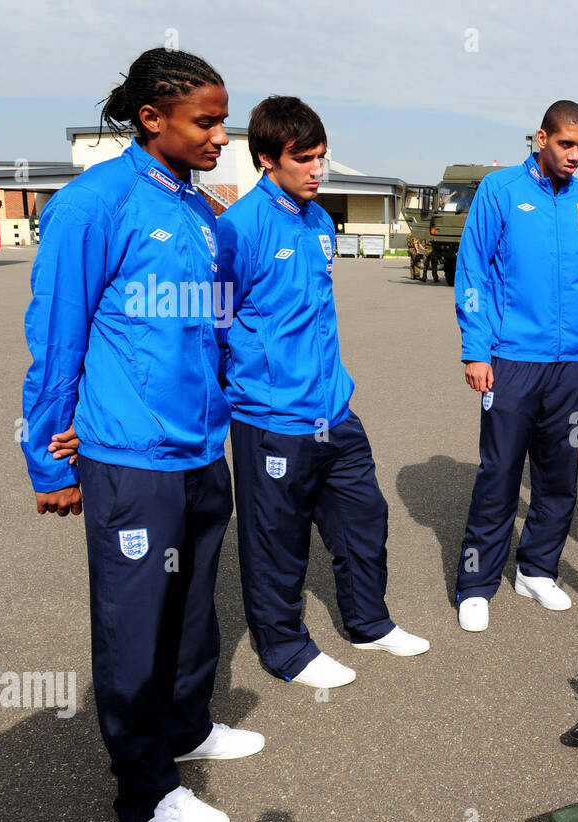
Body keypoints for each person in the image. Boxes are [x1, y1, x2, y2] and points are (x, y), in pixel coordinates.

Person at [21, 49, 260, 822]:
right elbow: (57, 337)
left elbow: (210, 332)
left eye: (224, 118)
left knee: (194, 613)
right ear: (153, 118)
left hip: (199, 452)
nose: (222, 134)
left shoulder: (201, 212)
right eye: (207, 120)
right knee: (136, 625)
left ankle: (187, 728)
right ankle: (144, 789)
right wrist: (48, 459)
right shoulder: (93, 205)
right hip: (129, 461)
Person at [217, 96, 429, 690]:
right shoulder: (238, 231)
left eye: (321, 157)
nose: (318, 170)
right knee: (277, 545)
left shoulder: (318, 222)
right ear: (266, 159)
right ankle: (286, 650)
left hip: (333, 411)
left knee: (366, 519)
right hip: (273, 418)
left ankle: (368, 622)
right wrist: (247, 386)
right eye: (303, 159)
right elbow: (213, 325)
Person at [453, 100, 578, 632]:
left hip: (570, 365)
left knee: (559, 475)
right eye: (566, 144)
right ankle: (476, 584)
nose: (575, 155)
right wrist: (477, 348)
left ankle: (537, 569)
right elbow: (473, 272)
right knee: (499, 472)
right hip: (510, 361)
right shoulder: (500, 191)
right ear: (541, 139)